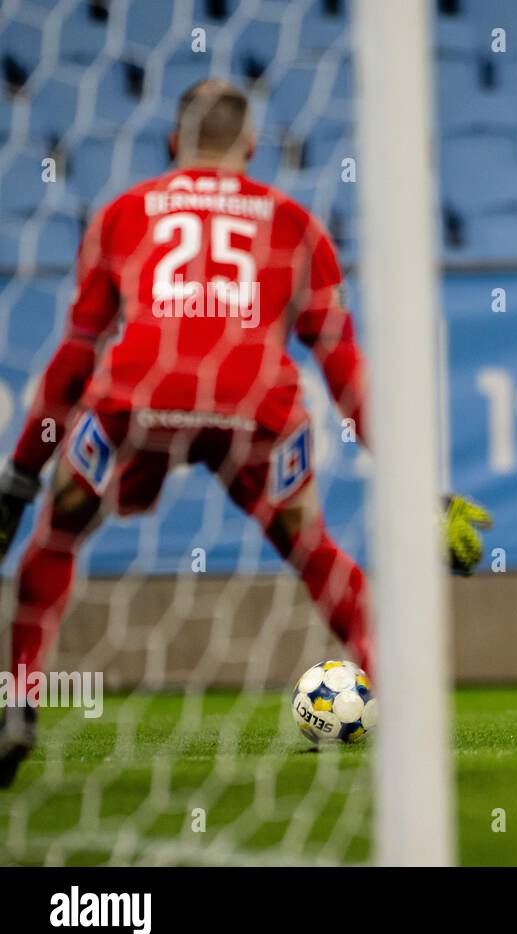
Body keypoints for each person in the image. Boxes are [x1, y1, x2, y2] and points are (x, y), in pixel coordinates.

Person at [0, 80, 372, 785]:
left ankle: (18, 701)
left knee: (56, 532)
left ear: (172, 145)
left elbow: (77, 353)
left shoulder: (121, 213)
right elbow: (341, 359)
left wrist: (21, 472)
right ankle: (387, 686)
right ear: (252, 149)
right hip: (254, 406)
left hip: (138, 400)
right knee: (312, 549)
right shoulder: (294, 222)